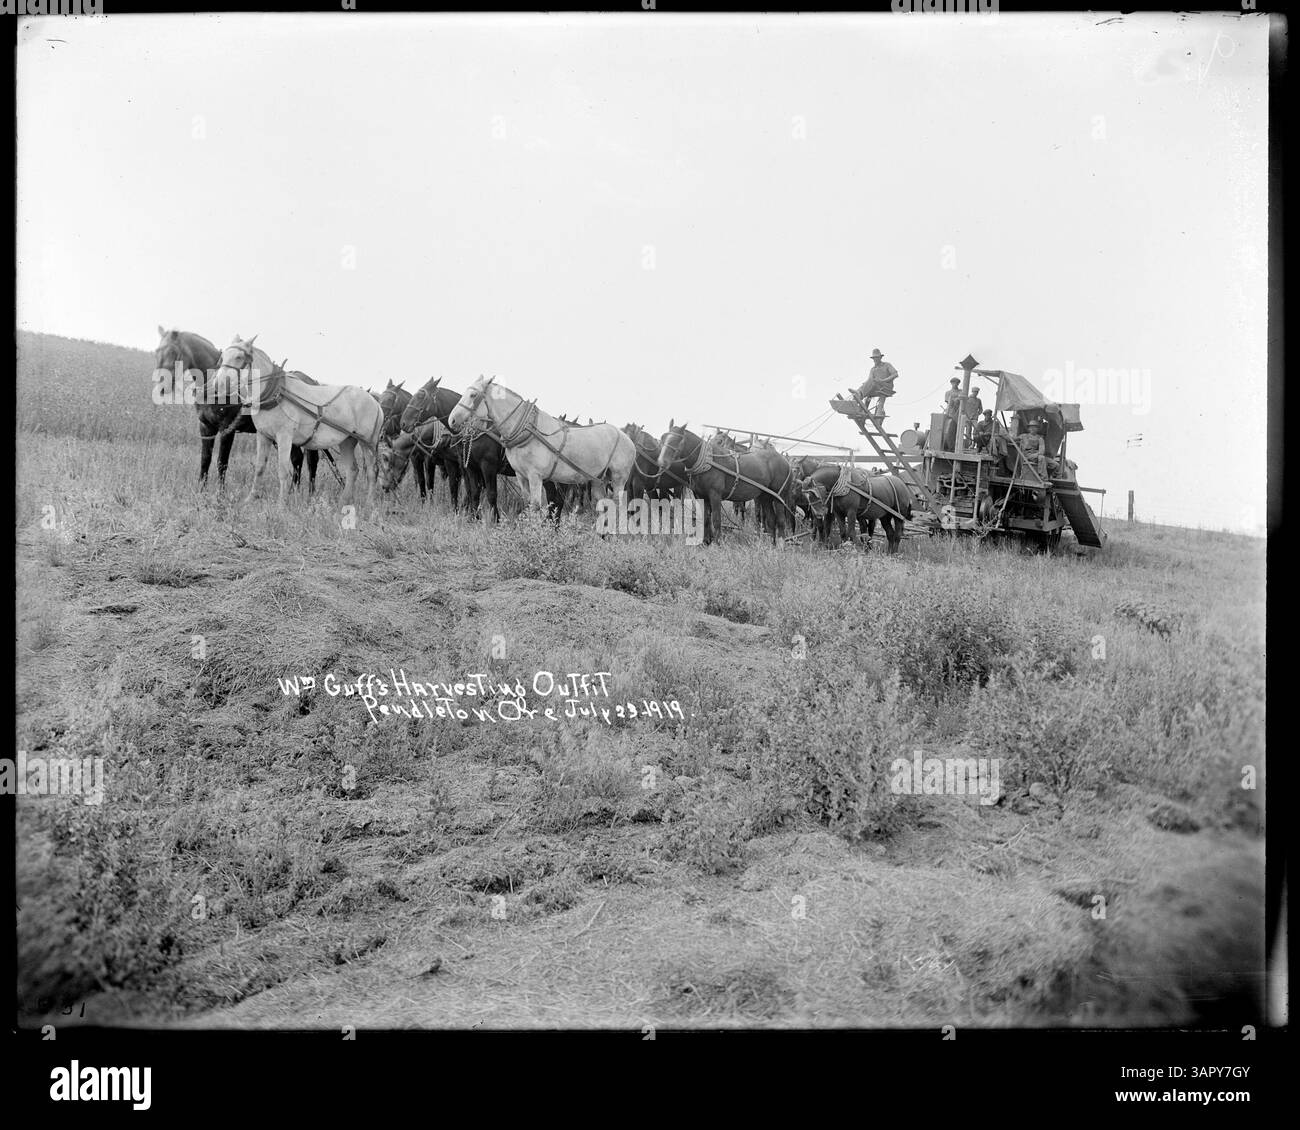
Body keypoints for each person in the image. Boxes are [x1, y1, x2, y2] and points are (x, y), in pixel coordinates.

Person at [856, 348, 898, 423]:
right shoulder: (873, 369)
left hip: (886, 386)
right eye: (874, 358)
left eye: (877, 358)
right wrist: (864, 385)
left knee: (871, 382)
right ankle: (858, 394)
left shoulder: (887, 365)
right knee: (867, 383)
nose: (875, 359)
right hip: (876, 386)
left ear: (880, 357)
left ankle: (859, 394)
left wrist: (883, 380)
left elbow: (895, 374)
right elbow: (869, 380)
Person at [941, 378, 962, 449]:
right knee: (948, 430)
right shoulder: (948, 393)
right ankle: (947, 445)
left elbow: (962, 401)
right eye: (953, 383)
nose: (955, 384)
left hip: (959, 413)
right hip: (950, 413)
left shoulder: (961, 392)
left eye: (956, 383)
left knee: (958, 430)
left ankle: (956, 446)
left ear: (958, 384)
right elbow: (948, 403)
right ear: (951, 383)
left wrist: (957, 400)